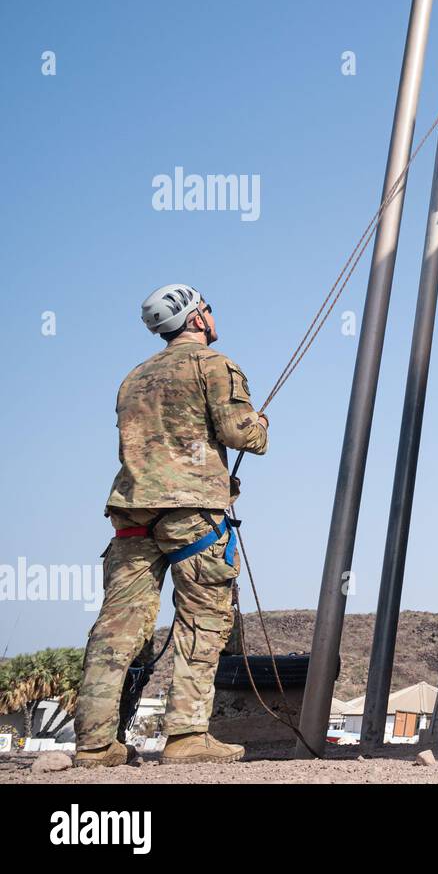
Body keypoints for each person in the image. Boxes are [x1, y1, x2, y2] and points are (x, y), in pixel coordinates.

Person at [73, 285, 268, 767]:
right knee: (202, 620)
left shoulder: (133, 378)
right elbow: (242, 434)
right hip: (192, 512)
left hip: (132, 514)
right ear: (198, 318)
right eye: (209, 310)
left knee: (116, 629)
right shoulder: (214, 366)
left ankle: (95, 744)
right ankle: (186, 738)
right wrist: (259, 424)